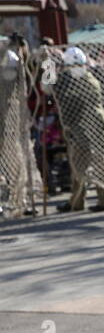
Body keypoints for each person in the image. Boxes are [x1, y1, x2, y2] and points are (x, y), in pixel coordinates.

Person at [53, 47, 104, 212]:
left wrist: (49, 64)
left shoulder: (68, 81)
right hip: (96, 128)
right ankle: (103, 200)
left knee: (80, 167)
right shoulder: (91, 78)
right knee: (99, 165)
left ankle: (78, 201)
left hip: (80, 130)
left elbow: (47, 86)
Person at [0, 43, 39, 217]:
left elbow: (44, 84)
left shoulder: (17, 78)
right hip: (13, 127)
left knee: (18, 164)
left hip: (14, 127)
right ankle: (19, 199)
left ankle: (22, 199)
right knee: (16, 164)